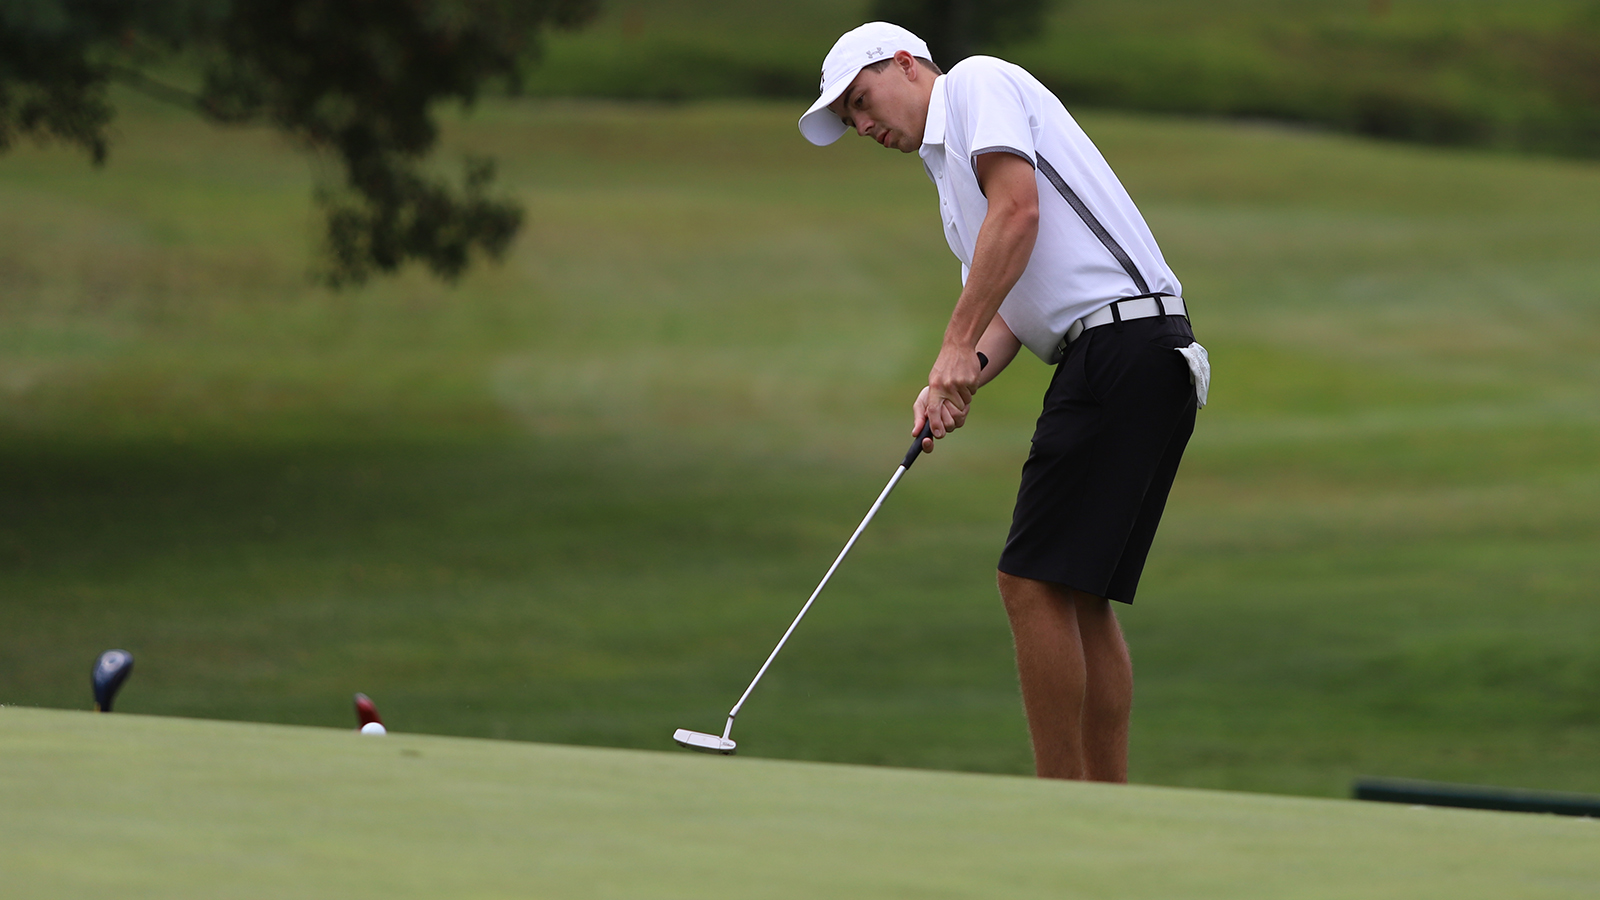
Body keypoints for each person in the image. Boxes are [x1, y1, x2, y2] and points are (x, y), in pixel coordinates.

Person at [798, 22, 1208, 782]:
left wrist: (953, 351)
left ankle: (1058, 803)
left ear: (905, 64)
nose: (863, 125)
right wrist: (950, 383)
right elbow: (1008, 315)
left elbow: (1019, 213)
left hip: (1122, 348)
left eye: (862, 101)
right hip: (1132, 355)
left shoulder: (978, 84)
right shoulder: (952, 181)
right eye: (852, 119)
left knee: (1029, 580)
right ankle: (1102, 803)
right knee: (1077, 597)